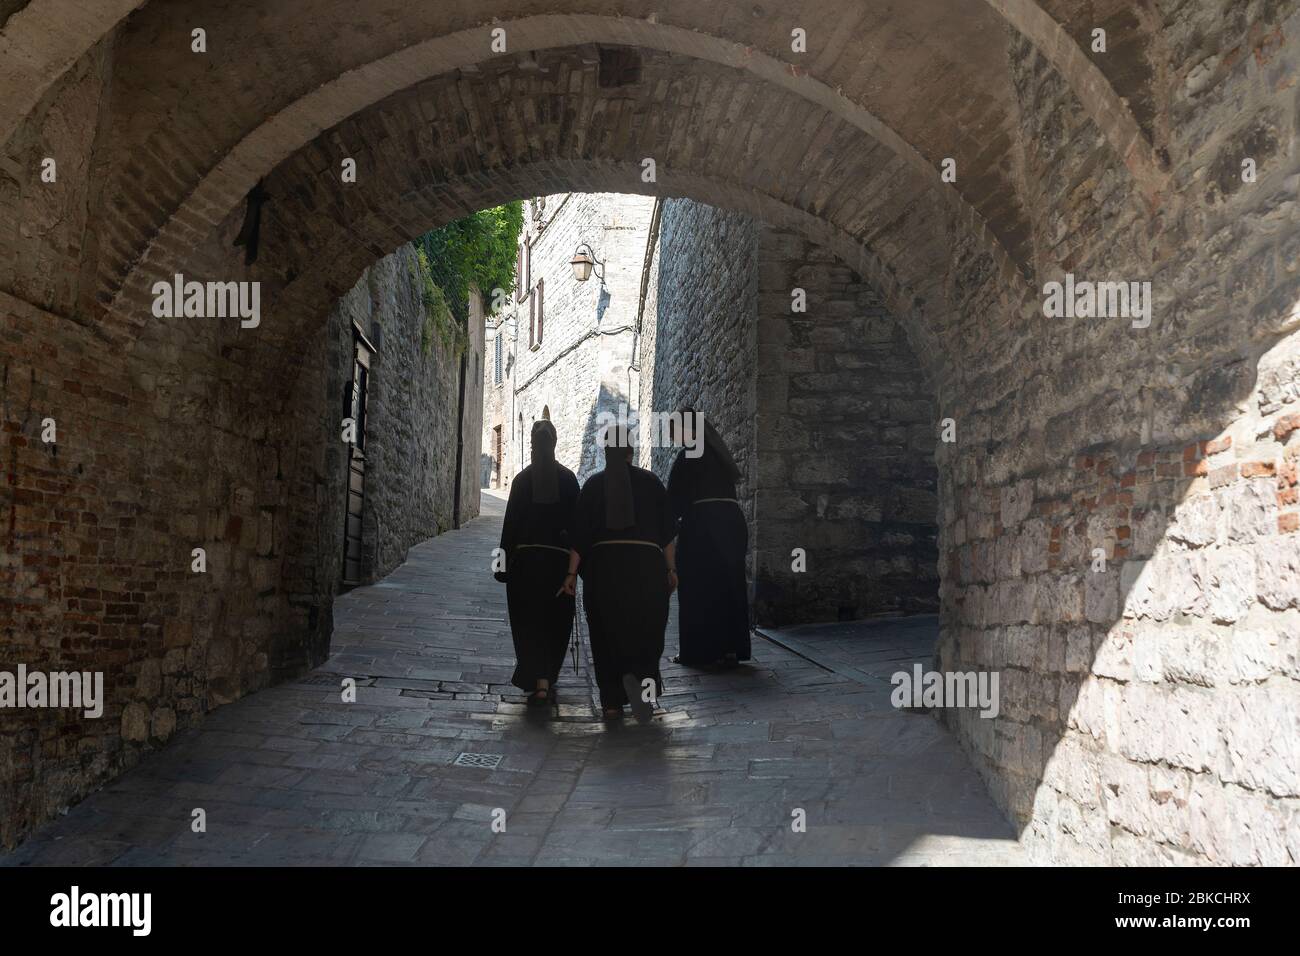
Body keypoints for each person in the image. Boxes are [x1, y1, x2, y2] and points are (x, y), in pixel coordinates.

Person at [561, 425, 676, 723]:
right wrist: (671, 569)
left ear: (605, 451)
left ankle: (612, 701)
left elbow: (579, 538)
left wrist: (571, 574)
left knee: (605, 635)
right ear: (631, 451)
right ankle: (644, 692)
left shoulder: (593, 486)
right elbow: (667, 535)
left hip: (605, 572)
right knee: (647, 634)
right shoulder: (652, 483)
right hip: (647, 570)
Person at [497, 420, 580, 706]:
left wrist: (501, 565)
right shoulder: (569, 480)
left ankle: (536, 678)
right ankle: (545, 679)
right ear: (554, 443)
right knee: (554, 623)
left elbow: (509, 527)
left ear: (534, 445)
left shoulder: (521, 481)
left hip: (525, 568)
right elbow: (579, 531)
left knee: (528, 622)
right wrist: (579, 569)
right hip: (558, 567)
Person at [667, 409, 751, 668]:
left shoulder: (688, 455)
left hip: (703, 526)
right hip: (732, 524)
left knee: (697, 588)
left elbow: (674, 500)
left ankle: (701, 651)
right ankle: (730, 648)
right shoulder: (718, 453)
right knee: (728, 585)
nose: (673, 436)